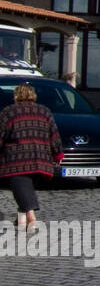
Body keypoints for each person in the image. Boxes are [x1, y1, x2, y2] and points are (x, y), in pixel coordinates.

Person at [0, 83, 64, 231]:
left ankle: (31, 217)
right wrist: (58, 153)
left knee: (21, 185)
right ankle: (20, 220)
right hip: (41, 159)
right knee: (25, 188)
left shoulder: (9, 112)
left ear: (16, 96)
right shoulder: (44, 111)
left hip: (16, 159)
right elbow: (54, 134)